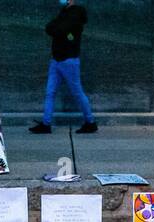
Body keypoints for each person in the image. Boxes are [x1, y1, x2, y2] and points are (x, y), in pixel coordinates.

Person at [29, 0, 98, 135]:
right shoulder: (63, 13)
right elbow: (49, 28)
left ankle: (90, 122)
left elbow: (59, 29)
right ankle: (46, 124)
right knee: (50, 92)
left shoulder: (77, 13)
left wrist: (57, 29)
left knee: (77, 92)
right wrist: (57, 29)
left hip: (68, 60)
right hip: (56, 60)